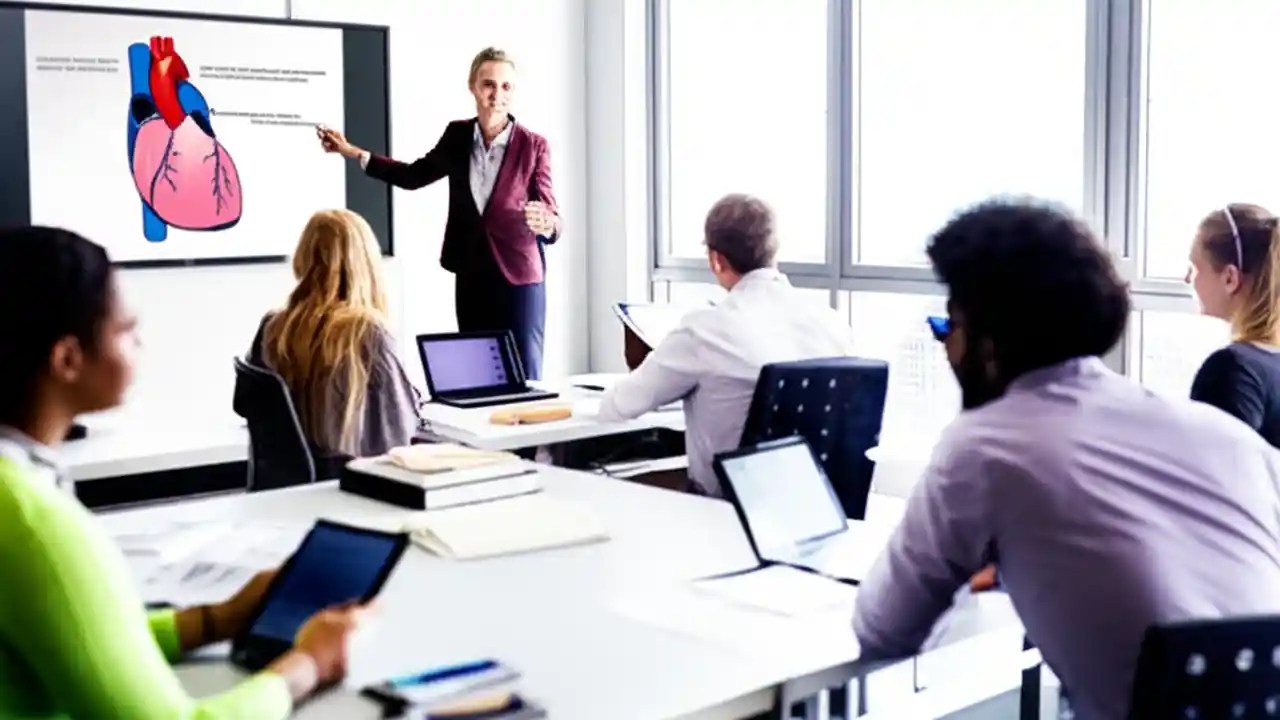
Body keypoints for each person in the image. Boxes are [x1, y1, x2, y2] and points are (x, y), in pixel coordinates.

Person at [851, 198, 1280, 720]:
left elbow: (884, 631)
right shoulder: (1224, 438)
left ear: (985, 339)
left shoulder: (985, 447)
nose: (945, 348)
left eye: (951, 326)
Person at [0, 225, 372, 718]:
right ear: (67, 358)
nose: (141, 344)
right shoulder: (35, 525)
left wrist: (214, 620)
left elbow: (79, 639)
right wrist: (308, 664)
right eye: (128, 330)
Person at [316, 46, 559, 380]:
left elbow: (552, 216)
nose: (497, 95)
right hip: (472, 271)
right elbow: (413, 176)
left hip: (519, 276)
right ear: (473, 86)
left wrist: (549, 224)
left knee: (524, 375)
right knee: (478, 372)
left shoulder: (534, 145)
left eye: (506, 87)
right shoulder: (457, 136)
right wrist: (353, 152)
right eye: (489, 84)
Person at [597, 194, 856, 496]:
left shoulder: (705, 330)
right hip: (814, 507)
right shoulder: (833, 323)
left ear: (716, 259)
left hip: (723, 512)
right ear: (774, 251)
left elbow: (618, 406)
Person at [245, 208, 422, 460]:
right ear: (365, 263)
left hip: (285, 488)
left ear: (303, 256)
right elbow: (400, 433)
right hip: (354, 486)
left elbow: (243, 405)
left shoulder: (273, 327)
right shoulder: (367, 333)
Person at [1186, 203, 1280, 447]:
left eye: (1196, 268)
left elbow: (1212, 477)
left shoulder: (1232, 370)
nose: (1187, 279)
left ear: (1230, 278)